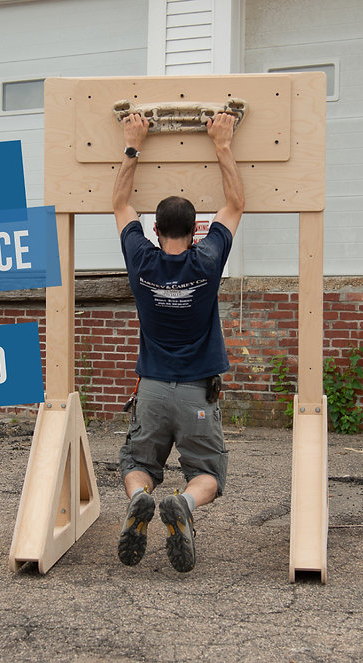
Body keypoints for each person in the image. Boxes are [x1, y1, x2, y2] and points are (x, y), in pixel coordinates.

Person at [111, 111, 245, 572]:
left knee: (137, 461)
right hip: (195, 393)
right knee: (206, 472)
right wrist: (222, 144)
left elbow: (119, 205)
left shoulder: (141, 260)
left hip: (150, 389)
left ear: (155, 230)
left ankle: (138, 499)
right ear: (194, 232)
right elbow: (235, 204)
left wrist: (134, 143)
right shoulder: (206, 261)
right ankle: (184, 504)